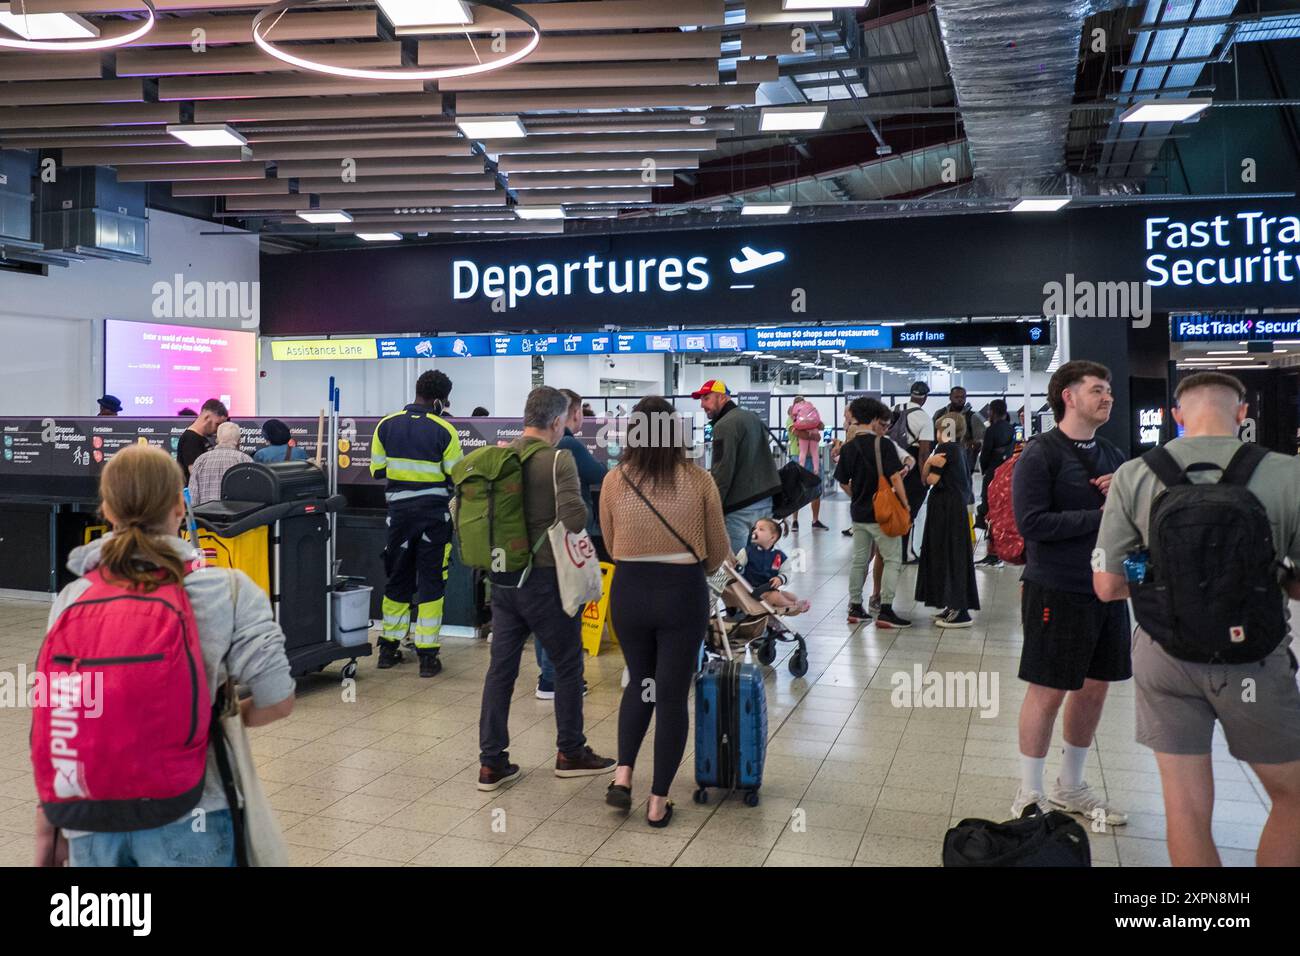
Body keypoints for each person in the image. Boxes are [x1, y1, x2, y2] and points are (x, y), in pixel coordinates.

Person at [34, 444, 294, 867]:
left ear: (107, 509)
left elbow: (55, 710)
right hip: (194, 810)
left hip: (89, 816)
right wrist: (214, 718)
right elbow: (277, 700)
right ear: (180, 504)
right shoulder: (227, 590)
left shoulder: (71, 598)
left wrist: (49, 821)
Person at [1095, 371, 1300, 866]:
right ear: (1242, 415)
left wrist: (1160, 573)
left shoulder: (1135, 473)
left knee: (1185, 809)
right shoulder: (1288, 473)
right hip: (1251, 660)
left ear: (1177, 416)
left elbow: (1106, 586)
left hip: (1163, 654)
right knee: (1294, 796)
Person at [600, 395, 731, 826]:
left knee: (642, 683)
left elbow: (610, 541)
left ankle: (622, 778)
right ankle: (657, 803)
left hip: (630, 592)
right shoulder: (698, 480)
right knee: (672, 696)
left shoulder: (615, 480)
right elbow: (717, 554)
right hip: (680, 594)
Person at [478, 386, 615, 791]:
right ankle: (571, 752)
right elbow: (574, 519)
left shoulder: (498, 456)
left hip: (503, 580)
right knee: (569, 665)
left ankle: (491, 763)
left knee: (500, 670)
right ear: (557, 422)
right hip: (545, 579)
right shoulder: (559, 460)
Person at [1011, 360, 1128, 825]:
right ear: (1069, 396)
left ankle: (1071, 786)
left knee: (1095, 688)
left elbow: (1135, 515)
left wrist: (1122, 496)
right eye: (1097, 389)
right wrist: (1100, 514)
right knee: (1049, 689)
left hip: (1106, 589)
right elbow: (1031, 524)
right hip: (1055, 588)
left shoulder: (1114, 455)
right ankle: (1029, 791)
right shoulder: (1042, 454)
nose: (1107, 397)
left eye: (1109, 390)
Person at [370, 370, 463, 678]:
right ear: (439, 400)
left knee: (397, 578)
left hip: (397, 517)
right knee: (432, 582)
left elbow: (377, 470)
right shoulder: (444, 430)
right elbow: (456, 474)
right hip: (434, 518)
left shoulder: (385, 425)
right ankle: (427, 656)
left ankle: (388, 649)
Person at [533, 388, 606, 700]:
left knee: (544, 612)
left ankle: (546, 676)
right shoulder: (569, 445)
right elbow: (603, 475)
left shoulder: (539, 447)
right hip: (566, 541)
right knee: (566, 611)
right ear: (571, 414)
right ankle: (557, 679)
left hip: (539, 542)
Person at [835, 397, 911, 629]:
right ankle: (886, 609)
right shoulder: (883, 444)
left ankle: (855, 607)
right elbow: (896, 476)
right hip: (883, 514)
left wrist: (857, 495)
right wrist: (905, 504)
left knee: (860, 560)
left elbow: (842, 481)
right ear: (875, 418)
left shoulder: (848, 448)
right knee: (892, 559)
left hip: (859, 514)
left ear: (857, 418)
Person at [695, 378, 781, 554]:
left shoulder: (724, 425)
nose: (702, 405)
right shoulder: (751, 417)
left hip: (740, 507)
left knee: (736, 567)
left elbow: (722, 471)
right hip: (765, 500)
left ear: (721, 397)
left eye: (706, 398)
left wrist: (712, 507)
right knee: (759, 558)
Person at [914, 412, 979, 628]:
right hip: (954, 508)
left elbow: (928, 479)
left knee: (949, 554)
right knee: (954, 554)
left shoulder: (945, 448)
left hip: (946, 510)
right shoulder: (958, 449)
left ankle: (959, 610)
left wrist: (926, 463)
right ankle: (953, 606)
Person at [892, 382, 934, 563]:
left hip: (893, 466)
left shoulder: (894, 409)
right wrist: (925, 479)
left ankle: (891, 551)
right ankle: (906, 554)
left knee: (894, 510)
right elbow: (924, 453)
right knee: (909, 512)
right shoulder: (924, 418)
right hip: (913, 468)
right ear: (925, 397)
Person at [739, 517, 810, 613]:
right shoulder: (747, 552)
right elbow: (735, 567)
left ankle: (789, 606)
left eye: (761, 529)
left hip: (767, 589)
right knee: (776, 597)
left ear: (772, 537)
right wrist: (737, 567)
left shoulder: (779, 556)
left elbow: (786, 571)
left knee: (792, 596)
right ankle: (794, 607)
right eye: (755, 528)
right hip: (752, 591)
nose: (755, 531)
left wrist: (780, 579)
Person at [975, 398, 1016, 547]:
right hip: (1006, 473)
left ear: (991, 411)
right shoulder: (1011, 429)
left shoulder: (991, 430)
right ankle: (1003, 543)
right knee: (1002, 508)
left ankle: (992, 546)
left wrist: (985, 469)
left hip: (992, 472)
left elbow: (985, 454)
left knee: (988, 506)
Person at [787, 395, 828, 531]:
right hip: (797, 458)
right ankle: (795, 521)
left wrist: (815, 421)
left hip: (812, 458)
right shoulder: (790, 420)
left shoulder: (810, 416)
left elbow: (821, 426)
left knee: (816, 490)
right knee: (796, 490)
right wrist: (814, 435)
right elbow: (799, 434)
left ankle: (815, 520)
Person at [188, 421, 251, 506]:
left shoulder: (201, 460)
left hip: (206, 517)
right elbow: (250, 498)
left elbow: (193, 497)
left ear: (217, 439)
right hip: (236, 517)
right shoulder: (245, 460)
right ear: (239, 441)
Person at [933, 386, 985, 471]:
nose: (960, 400)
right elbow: (933, 438)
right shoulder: (940, 414)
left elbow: (981, 439)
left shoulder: (972, 417)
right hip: (943, 458)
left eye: (962, 397)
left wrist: (972, 444)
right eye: (957, 397)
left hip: (965, 460)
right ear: (950, 397)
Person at [176, 398, 228, 483]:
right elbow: (195, 473)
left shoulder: (201, 439)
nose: (218, 429)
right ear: (207, 417)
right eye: (217, 424)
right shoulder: (191, 439)